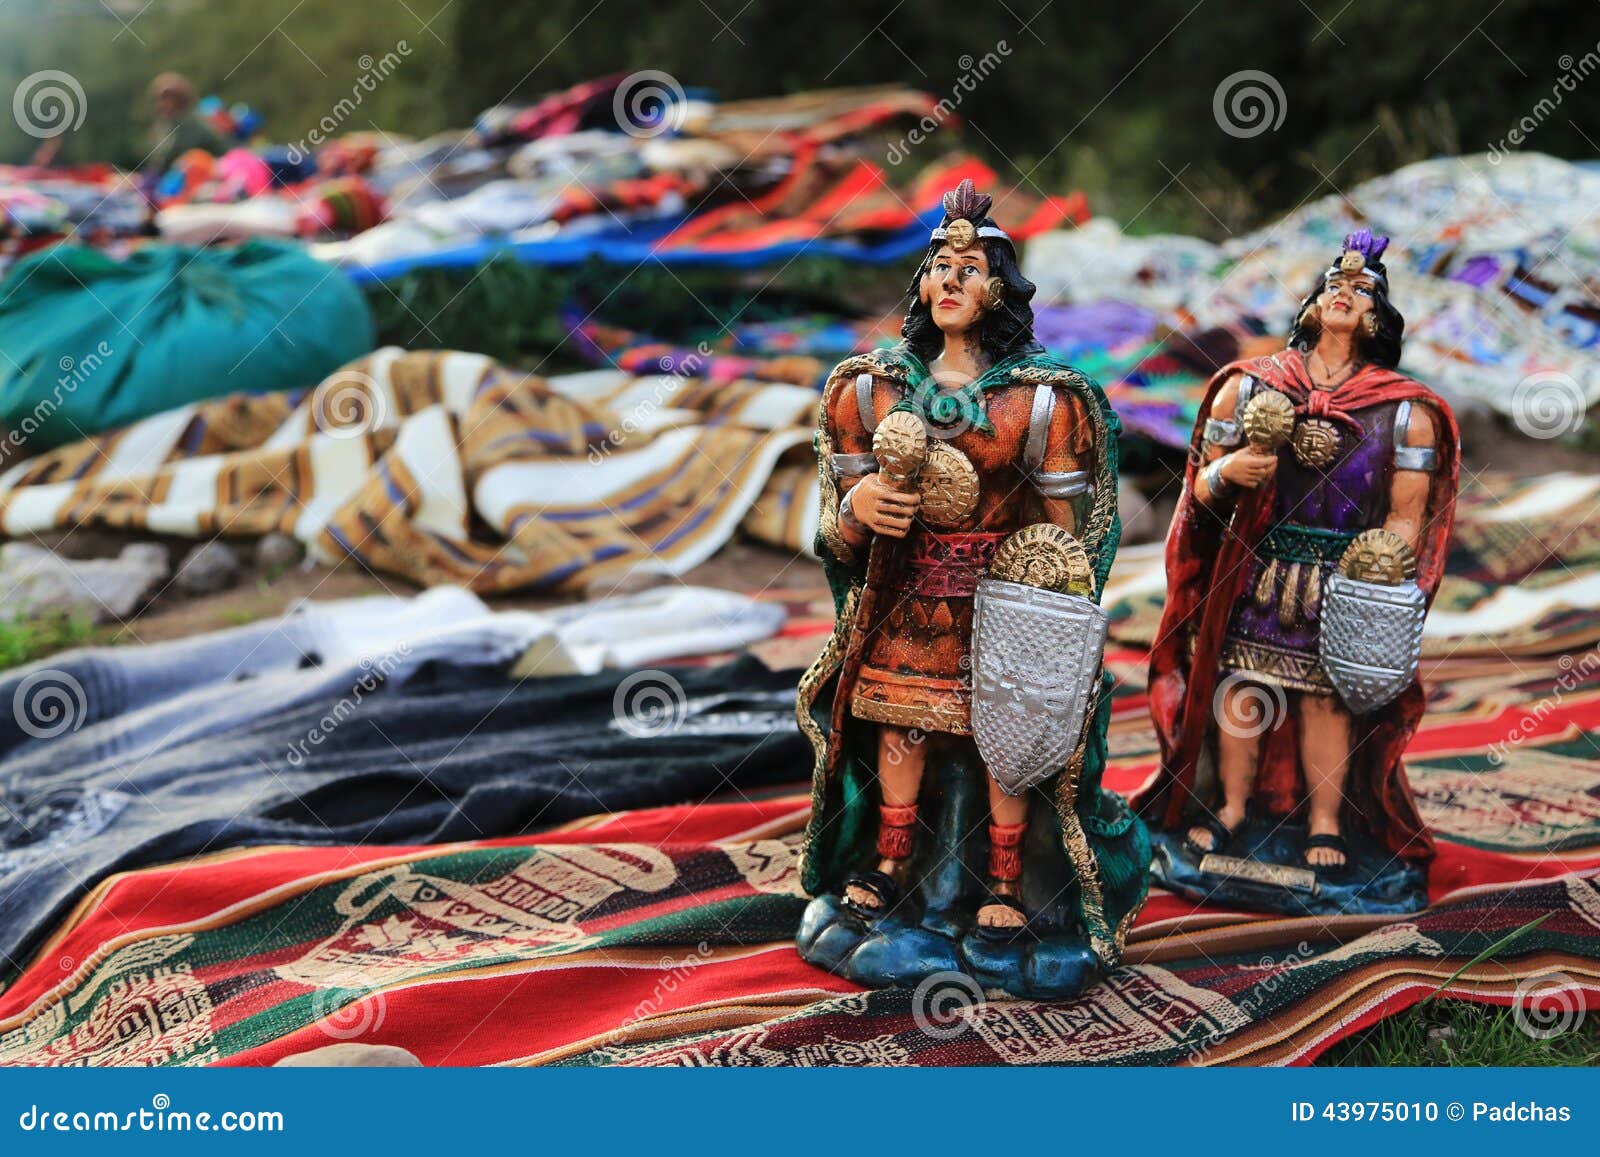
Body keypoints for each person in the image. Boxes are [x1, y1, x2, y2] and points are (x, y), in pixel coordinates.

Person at [795, 180, 1149, 995]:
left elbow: (1069, 528)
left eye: (970, 268)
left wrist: (1048, 594)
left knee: (1009, 742)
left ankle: (1005, 881)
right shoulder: (870, 390)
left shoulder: (1041, 400)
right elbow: (837, 528)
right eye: (938, 266)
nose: (950, 279)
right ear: (922, 286)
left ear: (998, 290)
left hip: (1000, 609)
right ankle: (887, 865)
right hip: (909, 600)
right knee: (900, 732)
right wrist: (860, 508)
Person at [1145, 230, 1459, 913]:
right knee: (1242, 691)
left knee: (1328, 699)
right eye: (1333, 285)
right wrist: (1231, 473)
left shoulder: (1402, 411)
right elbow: (1201, 489)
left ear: (1377, 317)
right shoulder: (1253, 387)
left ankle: (1325, 822)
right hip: (1258, 572)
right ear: (1312, 306)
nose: (1344, 294)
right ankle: (1230, 807)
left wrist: (1385, 559)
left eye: (1363, 289)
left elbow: (1410, 513)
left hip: (1340, 583)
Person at [145, 73, 226, 175]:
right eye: (158, 99)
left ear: (180, 99)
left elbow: (171, 160)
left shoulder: (190, 123)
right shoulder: (166, 125)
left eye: (167, 98)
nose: (162, 104)